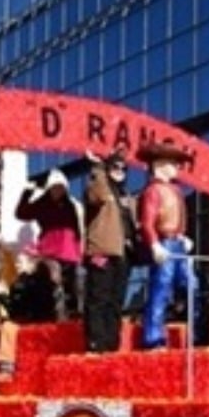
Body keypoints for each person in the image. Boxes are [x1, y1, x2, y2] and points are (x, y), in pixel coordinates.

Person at [137, 138, 196, 349]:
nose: (177, 167)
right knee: (160, 289)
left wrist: (182, 237)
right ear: (159, 165)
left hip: (177, 244)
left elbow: (176, 218)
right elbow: (147, 222)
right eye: (172, 162)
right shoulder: (153, 191)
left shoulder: (176, 191)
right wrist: (153, 244)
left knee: (192, 285)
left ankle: (193, 335)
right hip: (163, 244)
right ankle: (153, 339)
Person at [83, 150, 136, 352]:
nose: (120, 171)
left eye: (124, 168)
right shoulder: (100, 185)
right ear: (108, 168)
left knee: (116, 302)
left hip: (123, 253)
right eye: (115, 167)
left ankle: (111, 345)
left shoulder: (126, 195)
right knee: (98, 298)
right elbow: (97, 196)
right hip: (102, 250)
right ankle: (95, 344)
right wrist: (97, 168)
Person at [15, 168, 83, 321]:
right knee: (53, 284)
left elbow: (76, 228)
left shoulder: (69, 205)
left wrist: (78, 249)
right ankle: (55, 318)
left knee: (74, 287)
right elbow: (21, 213)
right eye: (54, 187)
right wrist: (27, 193)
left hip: (70, 253)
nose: (58, 191)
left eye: (61, 187)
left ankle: (74, 318)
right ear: (49, 188)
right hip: (50, 252)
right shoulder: (43, 204)